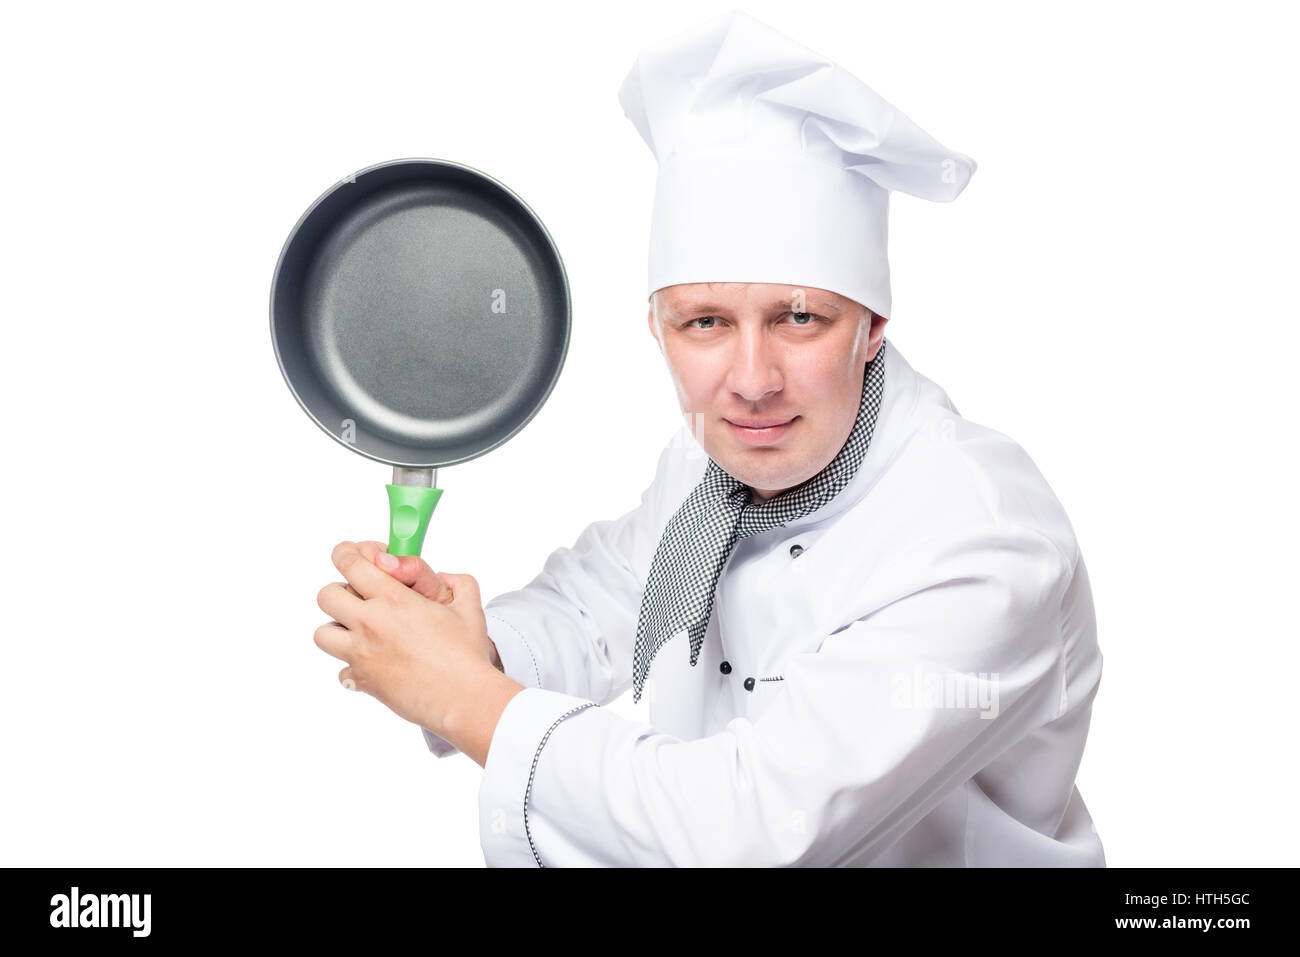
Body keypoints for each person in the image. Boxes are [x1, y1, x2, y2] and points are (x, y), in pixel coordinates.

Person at [312, 10, 1105, 867]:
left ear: (872, 326)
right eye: (706, 323)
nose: (753, 379)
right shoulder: (712, 462)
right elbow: (604, 601)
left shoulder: (982, 542)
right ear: (656, 328)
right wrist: (471, 643)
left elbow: (751, 830)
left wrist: (465, 697)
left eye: (800, 318)